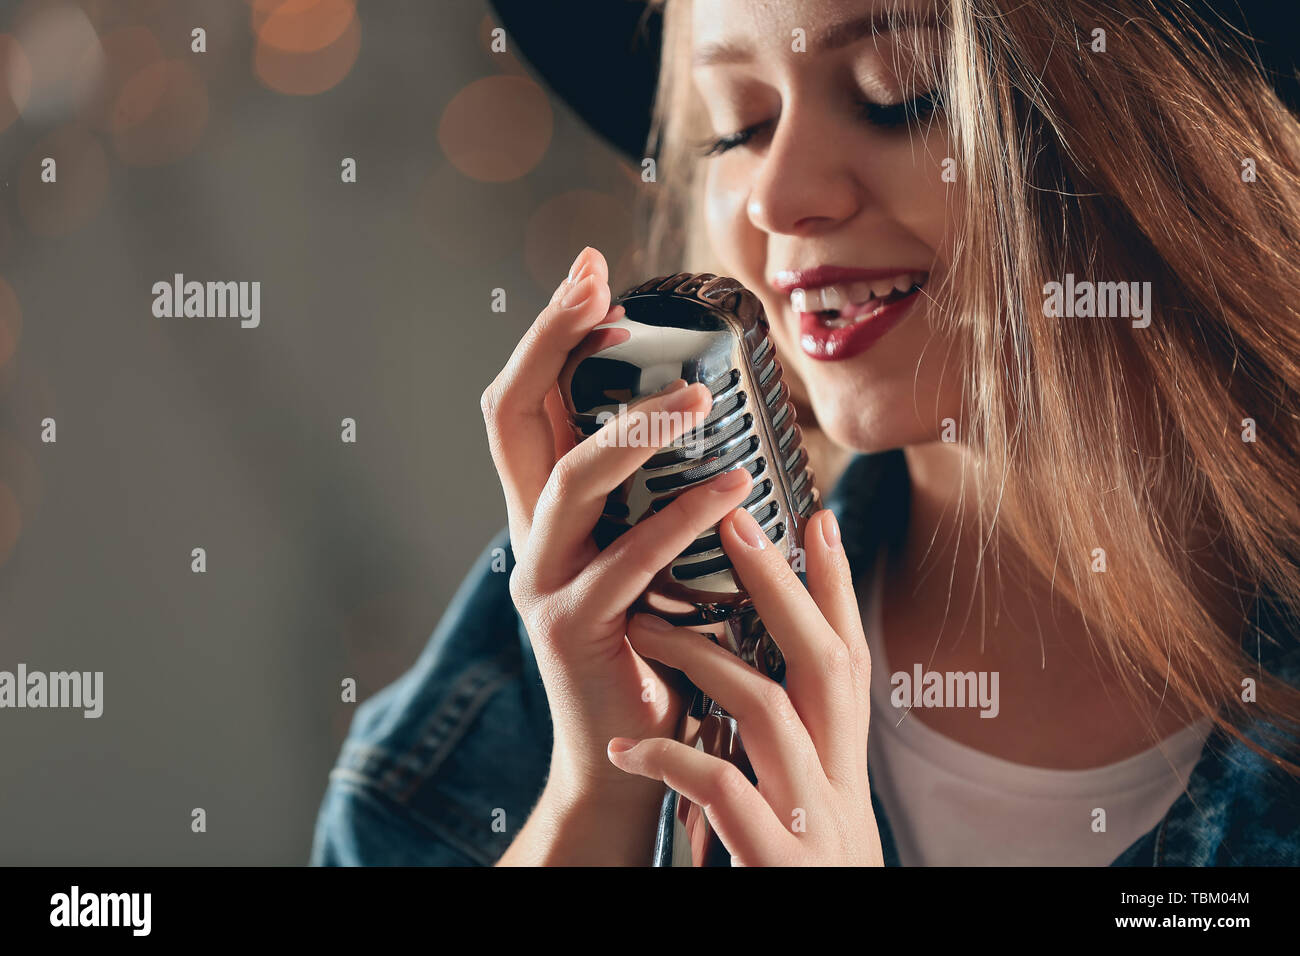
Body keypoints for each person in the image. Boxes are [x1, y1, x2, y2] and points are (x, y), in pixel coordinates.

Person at [311, 0, 1300, 865]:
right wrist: (600, 790)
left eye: (898, 92)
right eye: (736, 127)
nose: (779, 200)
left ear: (1170, 127)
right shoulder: (587, 615)